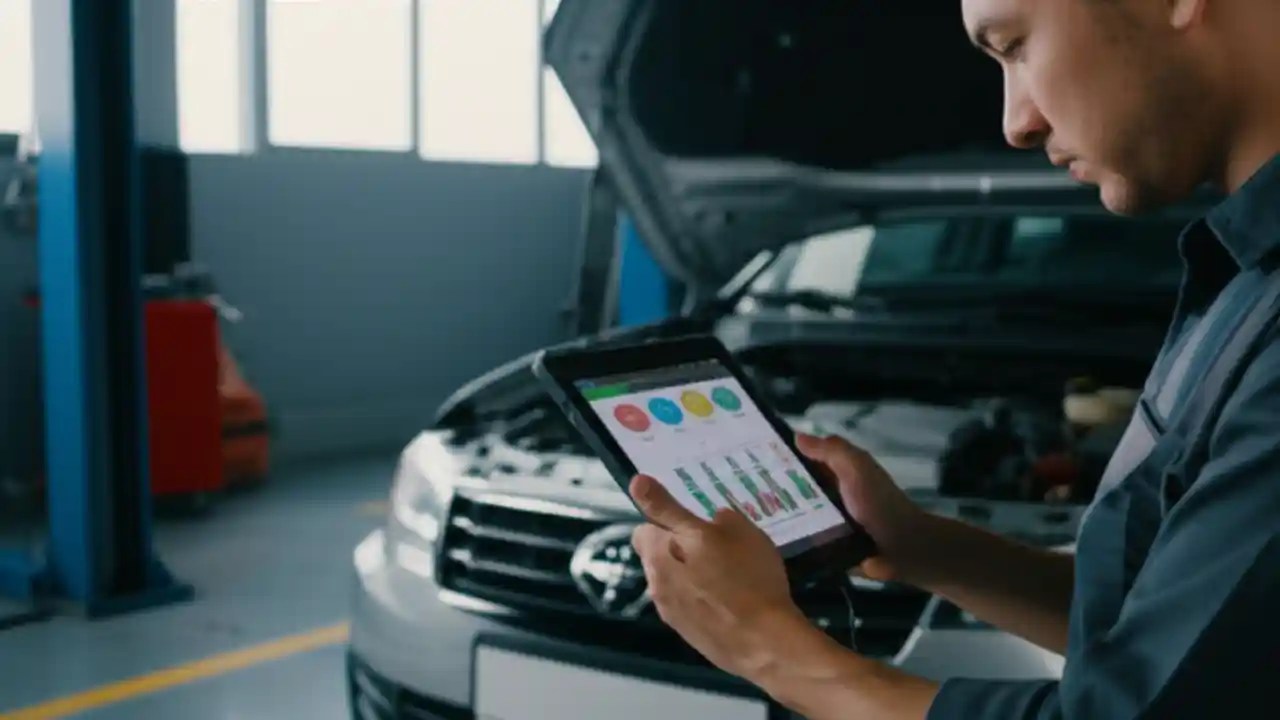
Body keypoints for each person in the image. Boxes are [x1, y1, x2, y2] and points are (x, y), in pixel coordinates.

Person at [627, 0, 1280, 718]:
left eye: (1016, 44)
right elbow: (1185, 638)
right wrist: (920, 546)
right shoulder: (1243, 277)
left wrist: (766, 647)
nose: (1016, 122)